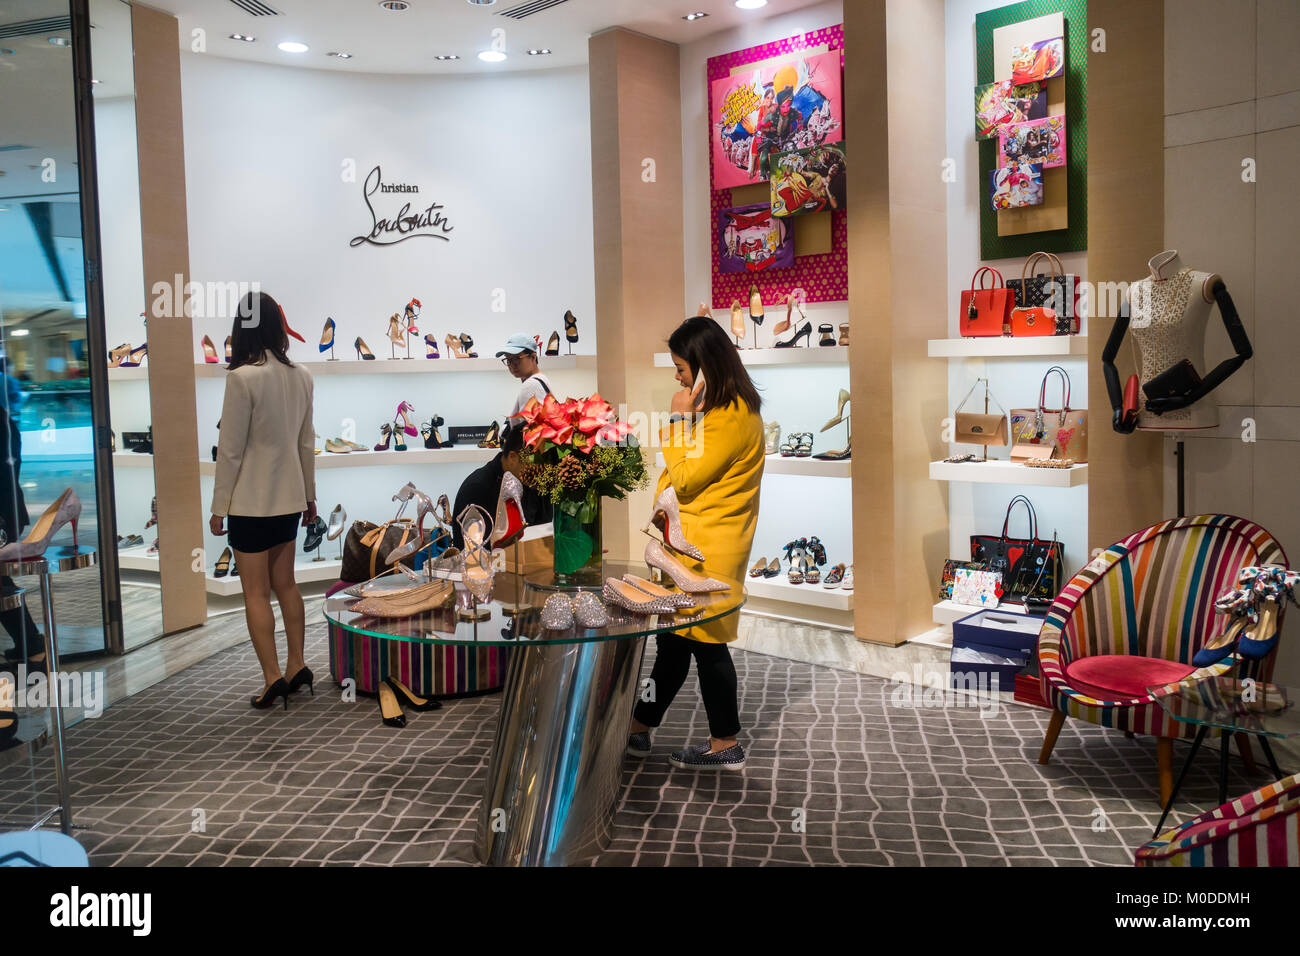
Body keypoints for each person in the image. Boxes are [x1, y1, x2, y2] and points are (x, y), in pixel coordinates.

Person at [627, 315, 765, 771]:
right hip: (695, 543)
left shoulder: (731, 416)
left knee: (704, 644)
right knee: (676, 642)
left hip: (709, 548)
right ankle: (639, 728)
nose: (677, 376)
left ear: (704, 365)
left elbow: (685, 478)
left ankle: (725, 744)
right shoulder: (725, 409)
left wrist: (675, 418)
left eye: (682, 368)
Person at [210, 291, 316, 711]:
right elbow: (306, 444)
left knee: (255, 593)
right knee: (286, 584)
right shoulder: (302, 375)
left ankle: (272, 677)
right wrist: (310, 496)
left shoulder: (241, 378)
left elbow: (230, 450)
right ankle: (297, 665)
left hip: (250, 504)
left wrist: (219, 507)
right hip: (290, 499)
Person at [451, 421, 549, 549]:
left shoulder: (534, 483)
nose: (541, 470)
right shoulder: (478, 488)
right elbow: (471, 553)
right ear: (513, 457)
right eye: (536, 463)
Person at [496, 334, 552, 422]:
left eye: (517, 358)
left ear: (533, 357)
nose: (512, 365)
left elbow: (528, 430)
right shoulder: (541, 379)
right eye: (508, 360)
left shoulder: (531, 385)